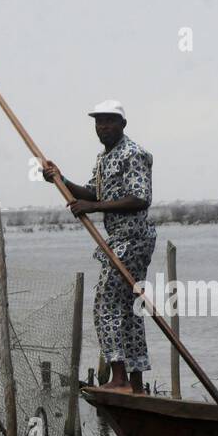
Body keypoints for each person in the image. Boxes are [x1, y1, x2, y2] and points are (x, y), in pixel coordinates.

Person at [41, 101, 156, 394]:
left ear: (122, 124)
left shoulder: (134, 154)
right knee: (127, 309)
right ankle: (135, 383)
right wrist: (61, 180)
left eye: (109, 121)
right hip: (116, 240)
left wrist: (94, 207)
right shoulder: (104, 159)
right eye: (99, 122)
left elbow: (140, 198)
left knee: (106, 304)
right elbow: (92, 192)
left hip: (133, 240)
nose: (103, 127)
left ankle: (119, 378)